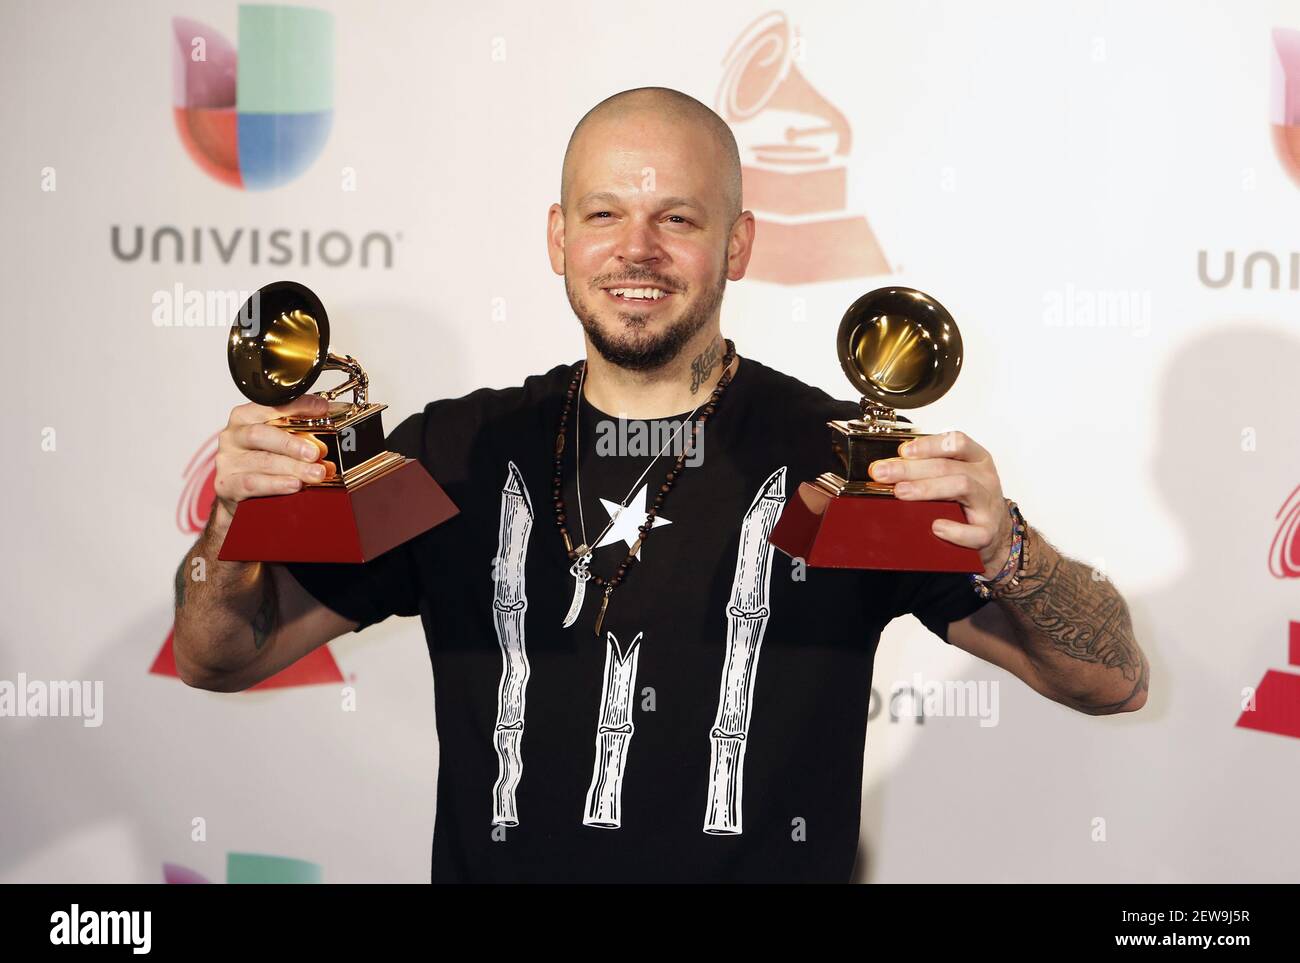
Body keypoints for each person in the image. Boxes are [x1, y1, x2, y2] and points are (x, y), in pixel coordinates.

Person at [172, 87, 1149, 883]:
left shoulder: (847, 465)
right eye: (604, 214)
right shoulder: (455, 451)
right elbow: (222, 655)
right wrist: (234, 527)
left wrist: (1005, 546)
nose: (634, 249)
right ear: (559, 237)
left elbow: (1110, 677)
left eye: (675, 218)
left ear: (737, 244)